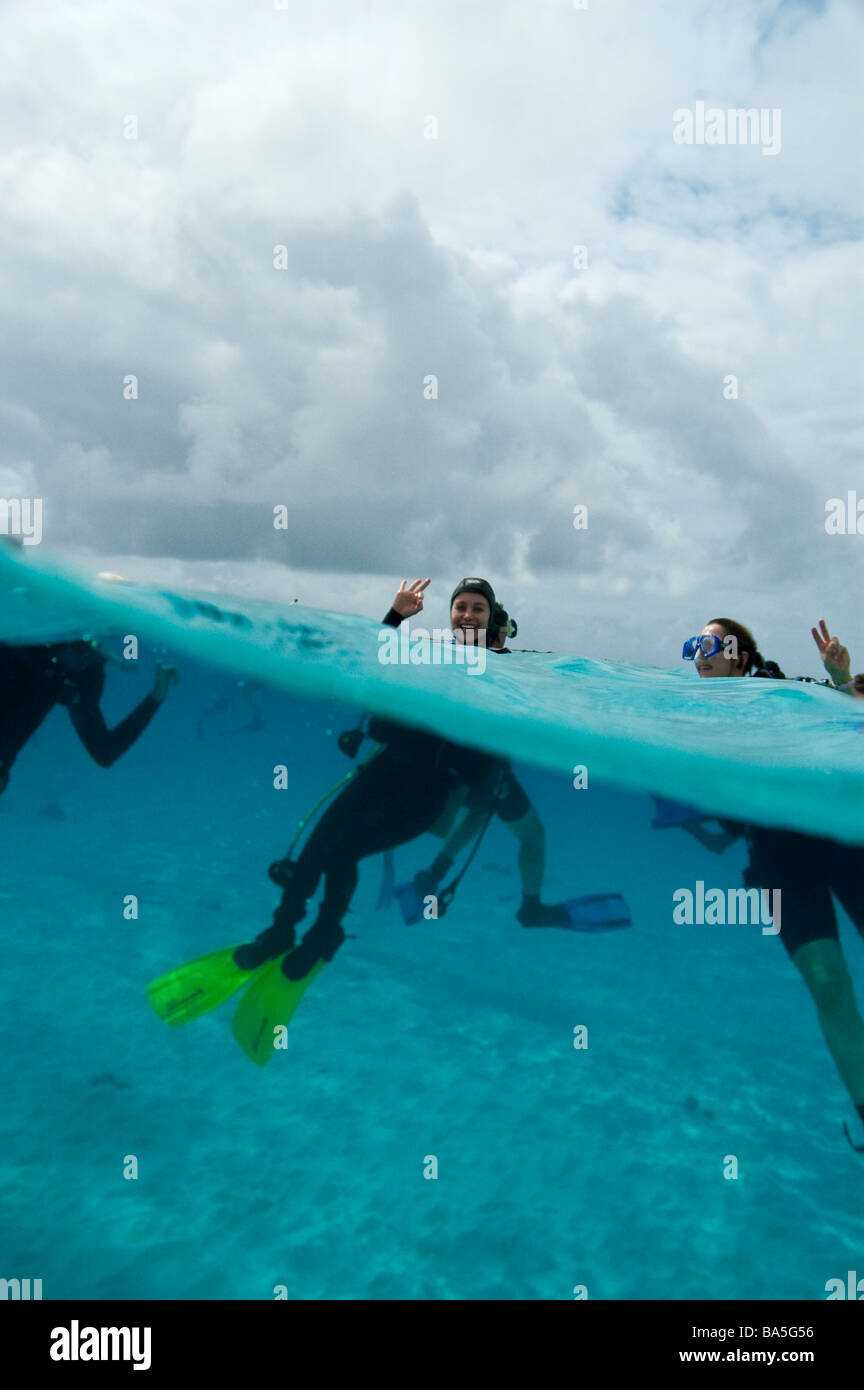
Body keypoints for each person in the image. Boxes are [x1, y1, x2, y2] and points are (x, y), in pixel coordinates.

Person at [678, 618, 864, 1150]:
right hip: (777, 861)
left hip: (838, 836)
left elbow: (847, 725)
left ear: (740, 656)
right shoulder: (687, 718)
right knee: (827, 983)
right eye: (695, 646)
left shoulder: (780, 693)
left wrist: (841, 678)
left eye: (712, 645)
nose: (701, 653)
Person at [383, 577, 584, 927]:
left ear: (491, 618)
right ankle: (440, 877)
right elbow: (379, 651)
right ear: (449, 613)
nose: (468, 615)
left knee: (524, 830)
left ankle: (526, 906)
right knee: (476, 811)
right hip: (452, 770)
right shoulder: (433, 648)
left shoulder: (507, 662)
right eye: (461, 607)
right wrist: (396, 615)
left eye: (478, 609)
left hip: (487, 771)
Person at [0, 639, 176, 796]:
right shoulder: (70, 685)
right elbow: (105, 751)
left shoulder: (69, 683)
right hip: (58, 670)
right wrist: (156, 696)